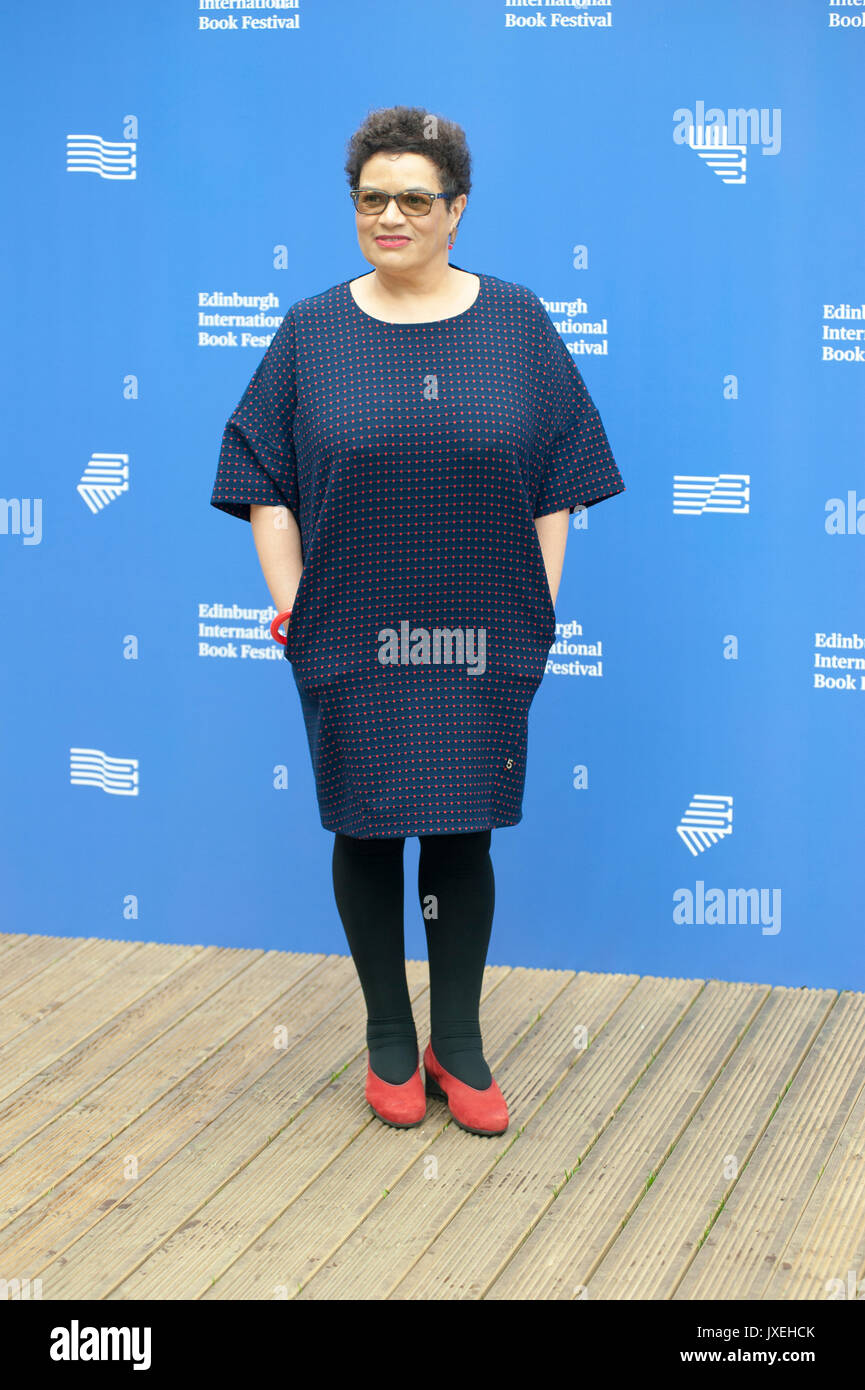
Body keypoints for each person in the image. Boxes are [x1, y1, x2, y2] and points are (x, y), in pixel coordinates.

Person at [210, 105, 626, 1138]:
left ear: (456, 209)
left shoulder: (518, 323)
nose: (389, 216)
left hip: (482, 633)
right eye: (371, 199)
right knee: (365, 825)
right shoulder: (311, 331)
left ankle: (460, 1041)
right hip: (351, 630)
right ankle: (390, 1036)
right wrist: (291, 604)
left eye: (412, 198)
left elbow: (558, 478)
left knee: (459, 829)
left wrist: (539, 610)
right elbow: (262, 477)